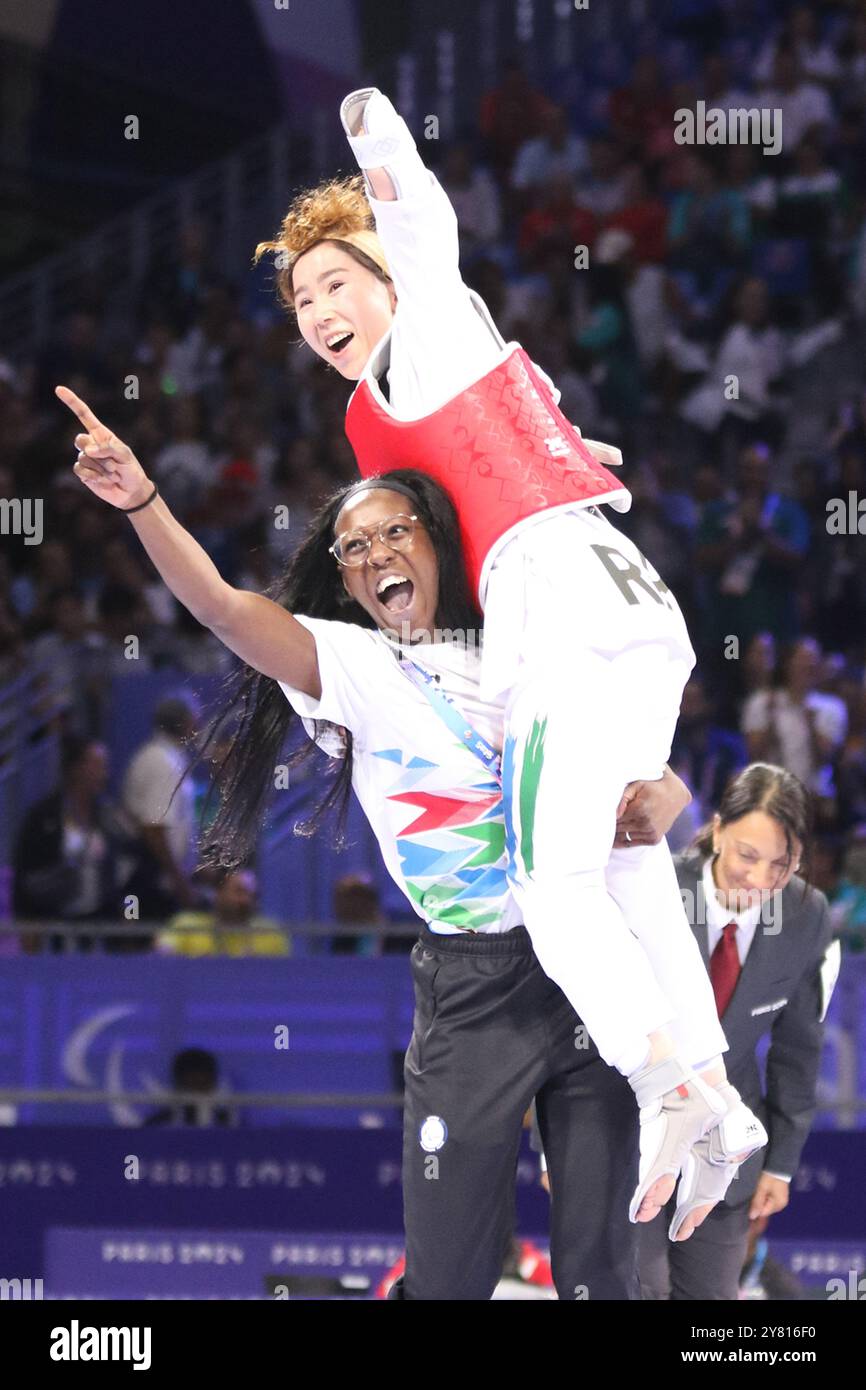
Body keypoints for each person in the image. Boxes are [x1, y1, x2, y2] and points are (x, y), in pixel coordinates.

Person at [251, 85, 768, 1235]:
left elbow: (423, 229)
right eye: (301, 298)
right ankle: (720, 1100)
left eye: (340, 280)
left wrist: (374, 138)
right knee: (626, 862)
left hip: (562, 614)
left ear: (386, 281)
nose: (320, 307)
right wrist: (566, 444)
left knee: (546, 884)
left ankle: (660, 1088)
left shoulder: (427, 322)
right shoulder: (380, 419)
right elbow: (508, 454)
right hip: (627, 604)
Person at [55, 388, 687, 1297]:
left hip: (591, 966)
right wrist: (144, 502)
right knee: (447, 1272)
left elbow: (644, 755)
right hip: (472, 987)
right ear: (345, 581)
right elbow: (225, 609)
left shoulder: (530, 640)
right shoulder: (349, 666)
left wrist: (668, 787)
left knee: (602, 1267)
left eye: (396, 532)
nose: (376, 554)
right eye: (355, 548)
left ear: (436, 540)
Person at [638, 764, 840, 1299]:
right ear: (719, 828)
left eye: (783, 864)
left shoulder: (805, 915)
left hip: (724, 1152)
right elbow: (578, 1012)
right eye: (748, 856)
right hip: (629, 1138)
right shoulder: (653, 885)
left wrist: (780, 1165)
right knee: (640, 1291)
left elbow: (798, 1052)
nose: (760, 879)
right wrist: (552, 1146)